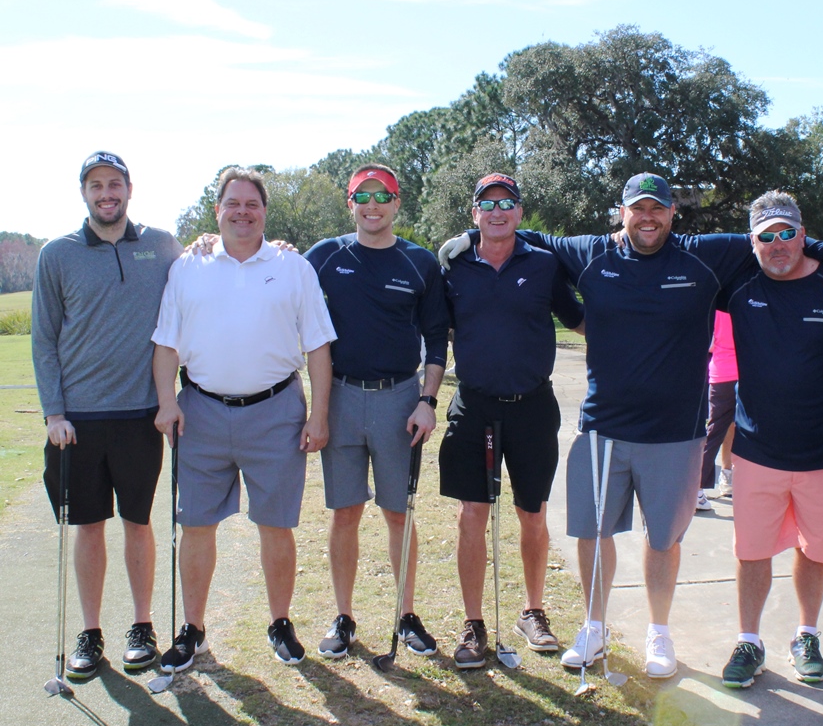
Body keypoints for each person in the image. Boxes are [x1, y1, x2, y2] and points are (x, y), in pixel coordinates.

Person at [440, 173, 823, 679]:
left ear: (673, 213)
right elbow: (522, 235)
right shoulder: (591, 252)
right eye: (638, 208)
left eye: (658, 208)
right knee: (592, 532)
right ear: (622, 213)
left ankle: (659, 633)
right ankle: (594, 626)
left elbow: (773, 237)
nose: (648, 217)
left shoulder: (704, 254)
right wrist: (469, 240)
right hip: (603, 425)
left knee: (663, 540)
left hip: (676, 431)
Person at [152, 167, 335, 670]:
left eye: (252, 204)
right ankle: (193, 629)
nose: (242, 212)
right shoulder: (188, 267)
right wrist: (167, 403)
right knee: (197, 526)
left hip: (276, 413)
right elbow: (167, 342)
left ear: (264, 212)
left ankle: (280, 623)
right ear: (217, 210)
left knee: (276, 525)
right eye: (232, 203)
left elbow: (318, 347)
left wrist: (318, 416)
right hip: (201, 412)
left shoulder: (293, 267)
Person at [31, 152, 182, 679]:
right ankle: (90, 633)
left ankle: (142, 628)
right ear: (84, 193)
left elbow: (202, 271)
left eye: (113, 183)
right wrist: (54, 413)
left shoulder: (162, 246)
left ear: (129, 188)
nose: (105, 193)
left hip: (142, 415)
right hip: (78, 422)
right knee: (88, 527)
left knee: (138, 524)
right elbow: (44, 340)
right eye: (95, 185)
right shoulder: (58, 254)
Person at [303, 164, 450, 660]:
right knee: (345, 512)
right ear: (350, 203)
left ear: (396, 203)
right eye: (362, 196)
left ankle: (406, 615)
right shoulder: (325, 256)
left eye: (382, 195)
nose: (372, 205)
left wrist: (428, 401)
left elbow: (435, 341)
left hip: (399, 400)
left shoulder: (419, 262)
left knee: (397, 512)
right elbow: (279, 282)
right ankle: (343, 617)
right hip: (340, 396)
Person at [439, 173, 584, 668]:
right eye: (487, 204)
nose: (497, 212)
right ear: (474, 212)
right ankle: (474, 624)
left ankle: (533, 611)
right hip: (474, 405)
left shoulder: (544, 264)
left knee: (532, 514)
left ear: (520, 213)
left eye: (507, 204)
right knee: (472, 516)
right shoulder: (453, 266)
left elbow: (582, 319)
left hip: (532, 406)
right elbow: (432, 327)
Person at [717, 191, 823, 690]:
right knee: (751, 552)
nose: (778, 245)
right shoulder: (737, 284)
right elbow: (697, 245)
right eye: (766, 236)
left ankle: (807, 635)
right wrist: (817, 243)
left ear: (802, 233)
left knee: (814, 549)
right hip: (757, 452)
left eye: (788, 234)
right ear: (752, 241)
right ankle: (749, 640)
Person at [697, 311, 737, 511]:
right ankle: (695, 488)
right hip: (739, 373)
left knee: (721, 428)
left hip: (722, 373)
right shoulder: (745, 300)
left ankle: (726, 476)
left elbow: (709, 343)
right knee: (718, 430)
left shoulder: (717, 308)